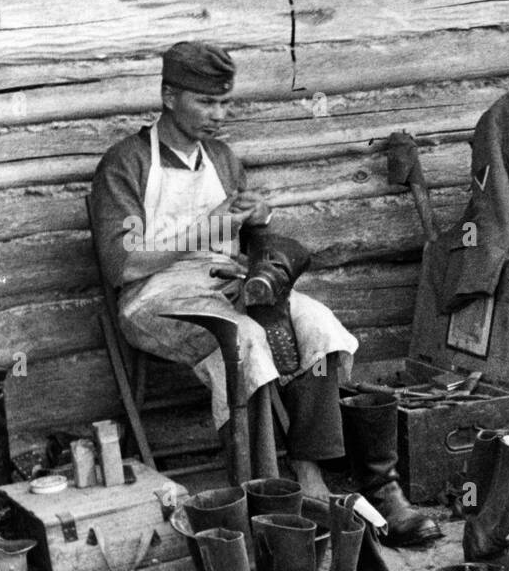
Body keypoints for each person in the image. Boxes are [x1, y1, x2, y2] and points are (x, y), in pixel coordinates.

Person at [89, 42, 356, 501]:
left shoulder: (223, 159)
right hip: (152, 297)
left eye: (224, 102)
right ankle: (265, 491)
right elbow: (124, 266)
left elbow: (250, 244)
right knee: (243, 341)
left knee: (317, 325)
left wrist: (259, 217)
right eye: (206, 101)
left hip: (224, 281)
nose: (219, 114)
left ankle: (311, 477)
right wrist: (207, 229)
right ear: (169, 97)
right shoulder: (126, 163)